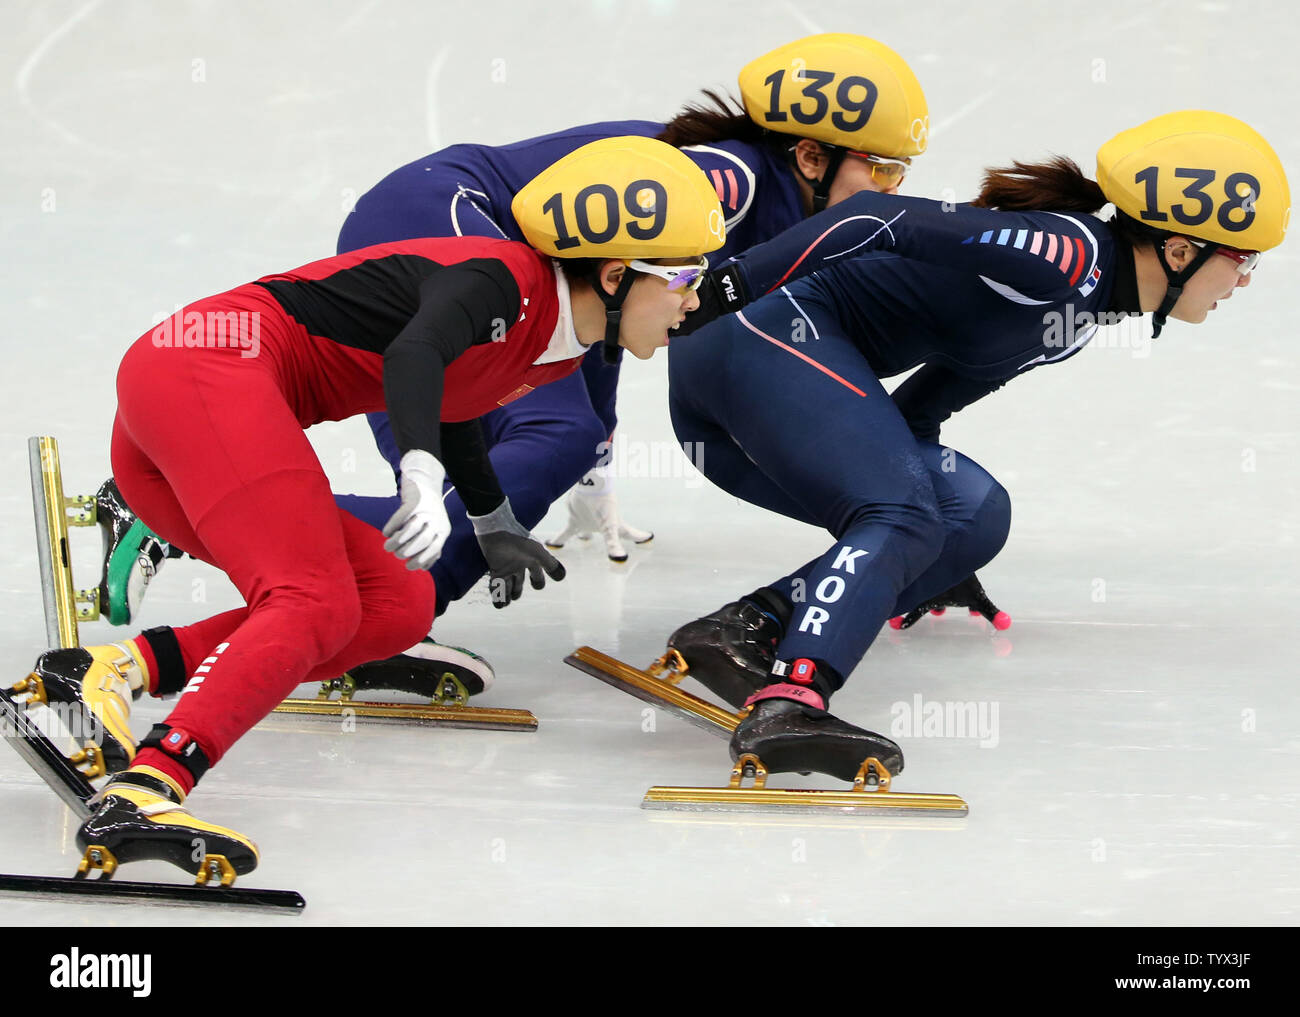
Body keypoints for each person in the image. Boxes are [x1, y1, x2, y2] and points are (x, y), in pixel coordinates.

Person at [19, 137, 724, 879]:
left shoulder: (558, 344)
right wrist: (418, 472)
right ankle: (148, 785)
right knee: (311, 597)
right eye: (684, 276)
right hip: (205, 369)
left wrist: (491, 519)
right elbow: (416, 354)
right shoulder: (504, 278)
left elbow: (458, 397)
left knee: (397, 602)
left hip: (191, 398)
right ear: (615, 274)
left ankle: (109, 669)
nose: (694, 299)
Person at [94, 33, 933, 650]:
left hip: (457, 225)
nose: (896, 187)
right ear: (813, 154)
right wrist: (575, 437)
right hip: (453, 223)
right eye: (885, 170)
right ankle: (393, 605)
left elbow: (600, 324)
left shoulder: (773, 192)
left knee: (540, 446)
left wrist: (592, 462)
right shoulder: (735, 178)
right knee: (531, 442)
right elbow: (595, 277)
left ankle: (216, 526)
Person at [662, 110, 1289, 781]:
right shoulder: (1067, 252)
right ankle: (793, 697)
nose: (1245, 280)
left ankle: (748, 626)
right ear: (1179, 248)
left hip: (757, 402)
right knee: (903, 512)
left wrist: (909, 559)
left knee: (973, 510)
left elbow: (915, 418)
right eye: (1242, 259)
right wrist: (725, 289)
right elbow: (876, 214)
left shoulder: (1077, 318)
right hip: (746, 335)